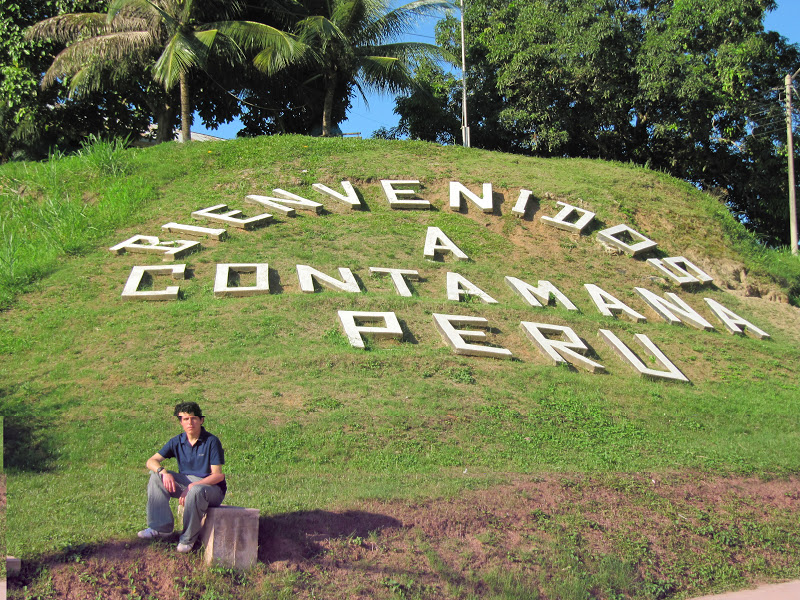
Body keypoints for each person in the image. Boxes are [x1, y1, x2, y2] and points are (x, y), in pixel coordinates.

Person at [137, 401, 226, 553]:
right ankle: (161, 528)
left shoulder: (211, 441)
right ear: (180, 422)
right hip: (188, 482)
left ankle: (187, 539)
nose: (190, 423)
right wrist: (163, 472)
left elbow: (218, 476)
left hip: (211, 489)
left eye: (193, 418)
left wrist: (192, 486)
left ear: (201, 420)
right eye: (185, 419)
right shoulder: (177, 441)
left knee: (196, 491)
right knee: (156, 476)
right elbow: (151, 461)